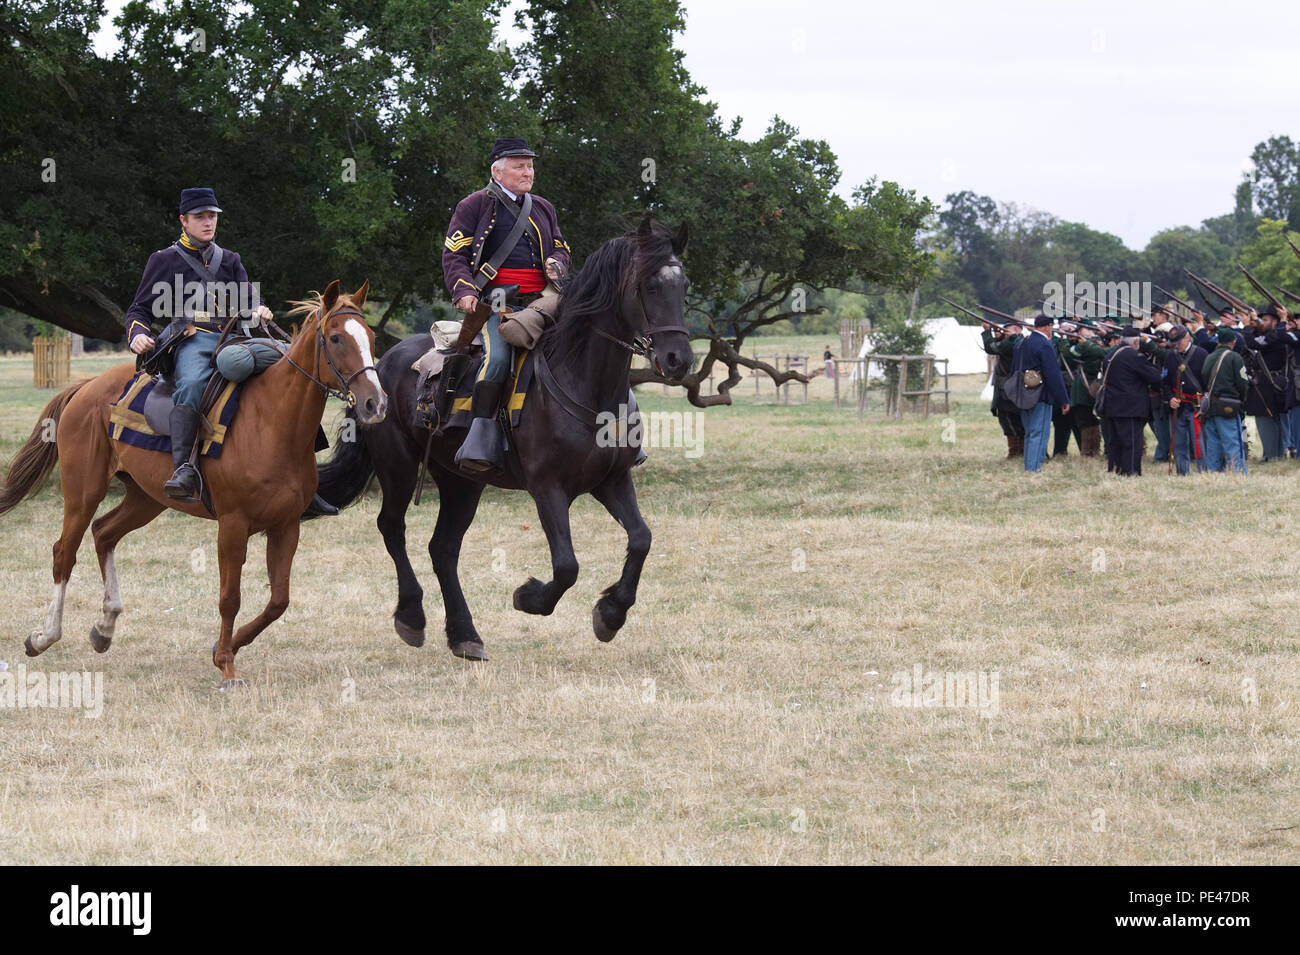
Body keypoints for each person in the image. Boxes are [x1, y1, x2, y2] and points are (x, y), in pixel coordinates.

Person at [124, 187, 275, 500]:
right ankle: (184, 469)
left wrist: (258, 307)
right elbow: (139, 309)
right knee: (192, 383)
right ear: (184, 220)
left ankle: (300, 470)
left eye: (212, 216)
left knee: (287, 375)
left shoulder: (230, 260)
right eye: (200, 217)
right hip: (192, 339)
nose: (208, 222)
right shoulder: (163, 260)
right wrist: (137, 334)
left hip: (234, 338)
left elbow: (248, 295)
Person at [440, 137, 572, 472]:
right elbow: (454, 255)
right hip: (498, 304)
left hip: (545, 301)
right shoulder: (473, 205)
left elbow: (560, 247)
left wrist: (557, 263)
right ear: (497, 170)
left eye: (529, 166)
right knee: (497, 359)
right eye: (519, 166)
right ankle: (480, 438)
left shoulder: (543, 207)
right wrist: (465, 290)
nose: (528, 172)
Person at [1096, 327, 1161, 475]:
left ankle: (1115, 469)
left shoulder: (1111, 354)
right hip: (1130, 407)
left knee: (1115, 442)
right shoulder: (1134, 356)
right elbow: (1154, 377)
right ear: (1136, 341)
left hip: (1111, 405)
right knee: (1131, 443)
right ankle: (1131, 472)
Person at [1010, 314, 1069, 472]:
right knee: (1039, 432)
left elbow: (1013, 370)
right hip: (1041, 394)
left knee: (1030, 432)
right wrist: (1063, 399)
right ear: (1048, 326)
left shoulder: (1022, 342)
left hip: (1023, 393)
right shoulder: (1044, 344)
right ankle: (1034, 469)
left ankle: (1030, 466)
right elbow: (1053, 375)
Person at [1240, 303, 1288, 461]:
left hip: (1269, 383)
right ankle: (1275, 454)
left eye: (1265, 319)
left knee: (1265, 419)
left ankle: (1271, 454)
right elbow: (1257, 339)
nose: (1263, 322)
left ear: (1275, 322)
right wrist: (1253, 324)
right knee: (1270, 419)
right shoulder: (1273, 335)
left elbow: (1253, 343)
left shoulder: (1275, 336)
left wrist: (1247, 326)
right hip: (1269, 383)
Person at [1200, 326, 1249, 474]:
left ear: (1218, 341)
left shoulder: (1209, 357)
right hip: (1228, 406)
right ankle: (1238, 474)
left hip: (1210, 407)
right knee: (1232, 443)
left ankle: (1214, 475)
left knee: (1213, 446)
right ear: (1234, 341)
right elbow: (1243, 383)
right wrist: (1241, 401)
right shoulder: (1235, 357)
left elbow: (1203, 378)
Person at [1161, 325, 1208, 475]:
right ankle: (1182, 473)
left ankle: (1203, 472)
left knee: (1200, 443)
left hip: (1196, 405)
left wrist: (1205, 405)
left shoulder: (1201, 354)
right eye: (1173, 343)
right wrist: (1170, 398)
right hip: (1178, 406)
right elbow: (1164, 382)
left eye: (1178, 343)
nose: (1176, 346)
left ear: (1188, 338)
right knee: (1179, 443)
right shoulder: (1170, 356)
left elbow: (1208, 383)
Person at [981, 319, 1025, 459]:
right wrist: (998, 335)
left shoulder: (1013, 341)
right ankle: (1015, 451)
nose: (1005, 332)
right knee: (1007, 420)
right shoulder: (1013, 341)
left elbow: (991, 348)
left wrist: (987, 331)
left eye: (1008, 329)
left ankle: (1018, 452)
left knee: (1012, 420)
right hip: (1007, 388)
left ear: (1017, 330)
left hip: (1009, 389)